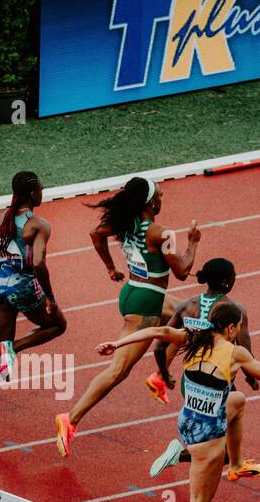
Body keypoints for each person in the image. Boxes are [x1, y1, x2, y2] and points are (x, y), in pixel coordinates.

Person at [96, 306, 260, 502]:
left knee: (238, 400)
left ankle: (237, 464)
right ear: (230, 328)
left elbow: (157, 331)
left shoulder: (193, 337)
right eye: (238, 328)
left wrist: (117, 344)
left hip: (186, 421)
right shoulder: (235, 353)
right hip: (207, 437)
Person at [55, 177, 199, 456]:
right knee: (118, 370)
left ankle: (159, 375)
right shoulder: (161, 233)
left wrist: (110, 267)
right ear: (149, 202)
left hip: (134, 291)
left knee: (192, 313)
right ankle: (70, 419)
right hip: (145, 304)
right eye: (159, 194)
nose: (162, 197)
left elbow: (95, 234)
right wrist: (193, 243)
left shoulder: (128, 223)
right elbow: (182, 271)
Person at [147, 257, 260, 487]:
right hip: (218, 382)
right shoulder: (234, 311)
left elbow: (160, 345)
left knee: (214, 447)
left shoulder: (186, 306)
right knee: (223, 452)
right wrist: (252, 378)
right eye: (233, 277)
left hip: (190, 380)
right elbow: (244, 350)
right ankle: (182, 462)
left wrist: (164, 374)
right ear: (226, 282)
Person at [0, 170, 66, 423]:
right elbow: (39, 264)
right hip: (24, 285)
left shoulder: (2, 219)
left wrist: (11, 265)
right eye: (40, 189)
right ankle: (15, 348)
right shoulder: (40, 226)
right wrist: (50, 297)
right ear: (32, 193)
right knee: (58, 325)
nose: (42, 193)